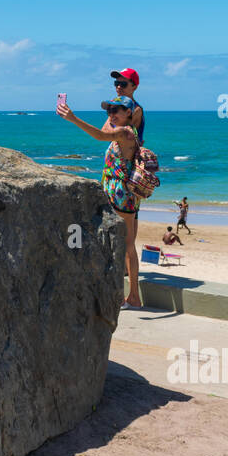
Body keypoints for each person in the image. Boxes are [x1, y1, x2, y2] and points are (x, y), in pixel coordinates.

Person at [58, 94, 143, 310]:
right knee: (117, 243)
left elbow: (98, 135)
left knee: (127, 245)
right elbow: (105, 132)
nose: (111, 114)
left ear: (129, 114)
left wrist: (74, 119)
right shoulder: (118, 130)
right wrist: (112, 115)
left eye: (116, 111)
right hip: (113, 190)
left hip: (122, 194)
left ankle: (133, 296)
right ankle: (125, 295)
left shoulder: (125, 133)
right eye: (108, 111)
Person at [105, 67, 145, 135]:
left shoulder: (136, 109)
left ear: (134, 87)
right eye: (117, 83)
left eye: (123, 84)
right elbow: (104, 131)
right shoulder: (115, 105)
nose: (118, 87)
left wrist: (110, 127)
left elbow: (115, 133)